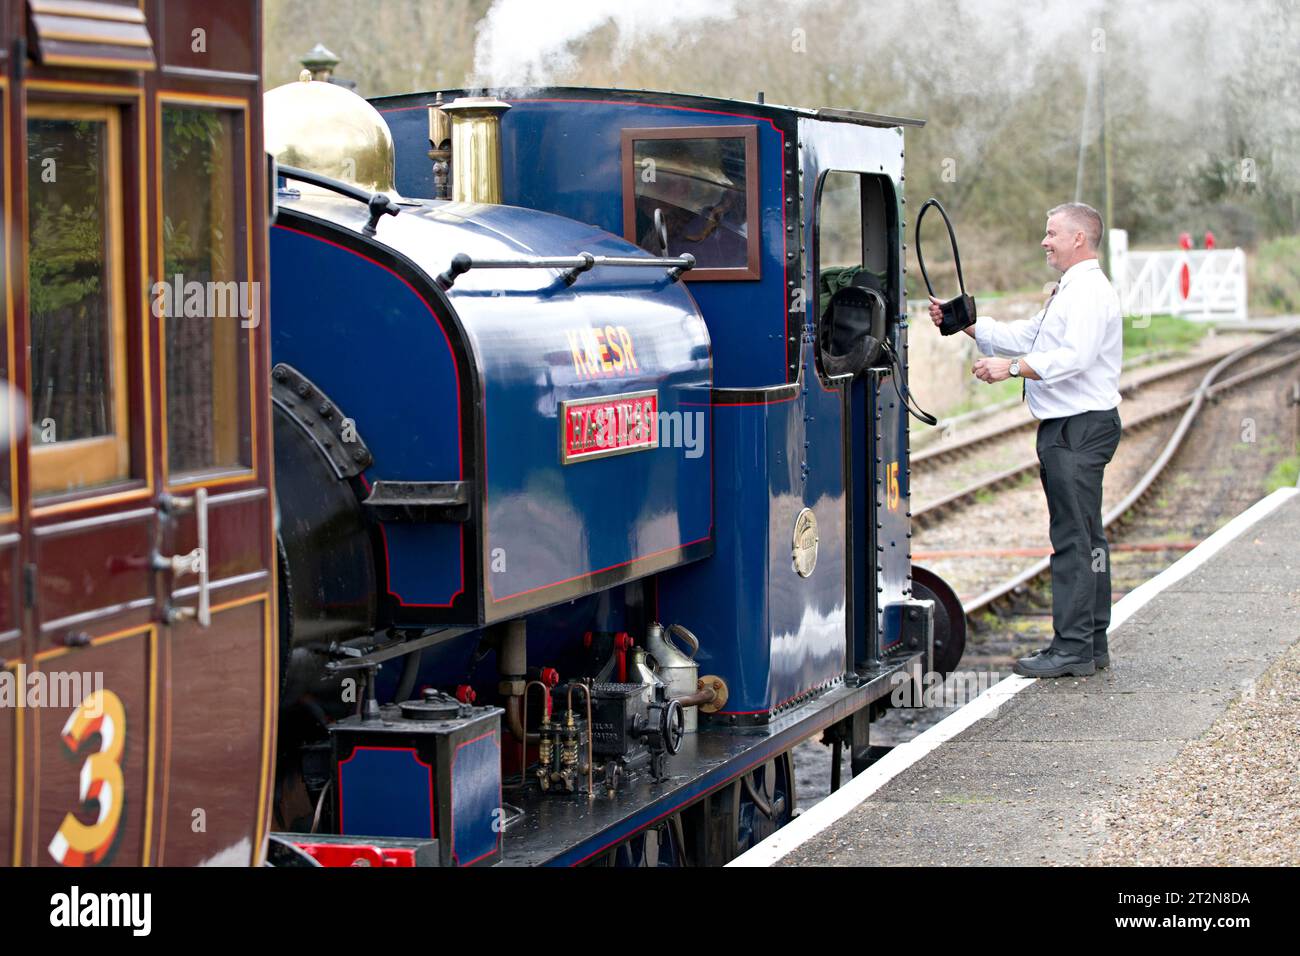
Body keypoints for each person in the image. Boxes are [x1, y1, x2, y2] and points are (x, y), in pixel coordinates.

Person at [928, 202, 1123, 678]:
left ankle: (1074, 648)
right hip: (1075, 425)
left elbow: (1072, 356)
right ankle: (1090, 642)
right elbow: (1032, 334)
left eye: (1052, 233)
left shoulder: (1089, 293)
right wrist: (967, 324)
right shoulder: (1071, 291)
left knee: (1074, 539)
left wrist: (1009, 368)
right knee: (1086, 535)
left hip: (1078, 427)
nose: (1045, 241)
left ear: (1079, 238)